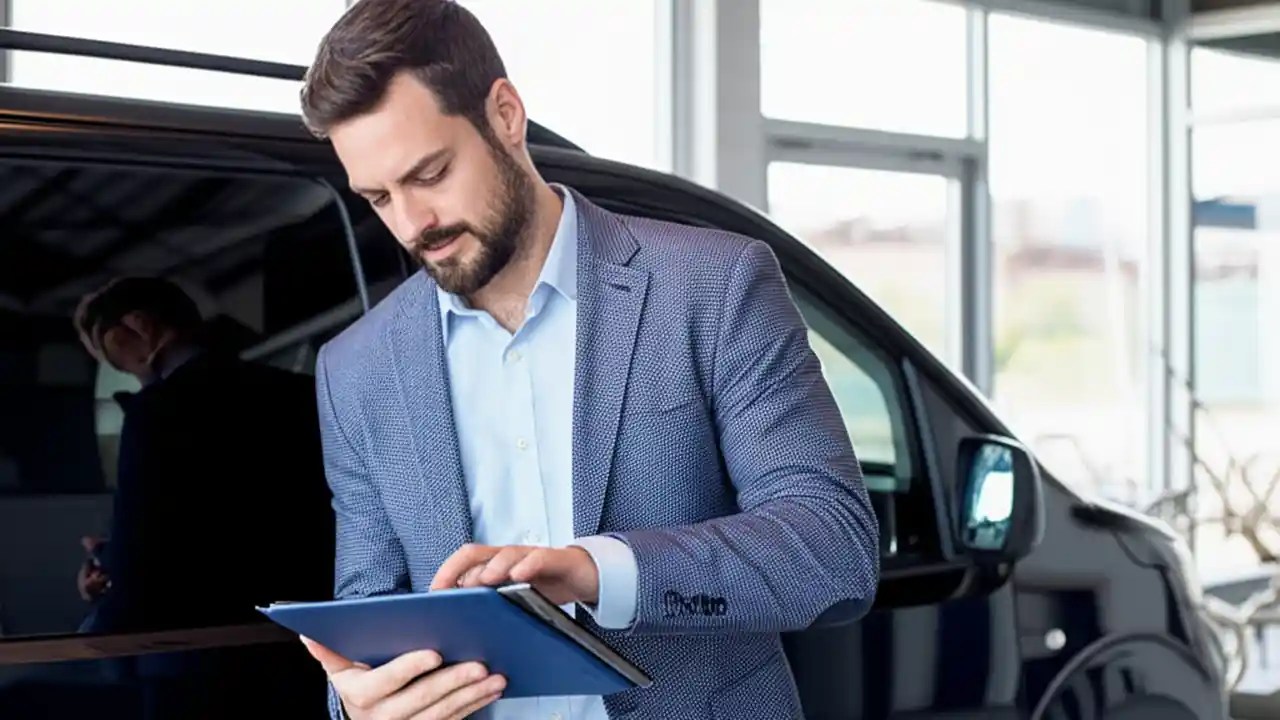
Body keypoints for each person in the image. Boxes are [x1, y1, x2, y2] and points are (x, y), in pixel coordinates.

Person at [298, 1, 881, 718]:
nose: (413, 223)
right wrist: (358, 702)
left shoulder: (713, 285)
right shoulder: (354, 371)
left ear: (505, 115)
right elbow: (368, 613)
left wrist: (597, 572)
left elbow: (831, 547)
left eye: (431, 173)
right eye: (378, 198)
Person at [71, 276, 336, 717]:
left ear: (138, 326)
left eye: (113, 349)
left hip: (201, 661)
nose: (123, 369)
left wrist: (107, 598)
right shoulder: (302, 392)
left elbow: (145, 551)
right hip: (311, 645)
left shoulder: (157, 411)